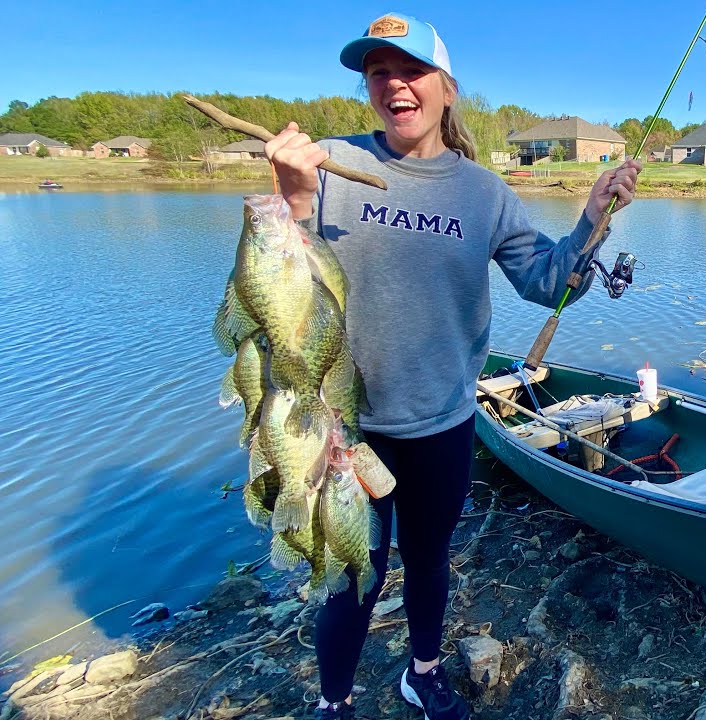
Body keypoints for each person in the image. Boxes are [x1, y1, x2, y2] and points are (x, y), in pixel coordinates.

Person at [264, 12, 641, 720]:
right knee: (355, 574)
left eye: (411, 71)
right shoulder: (332, 164)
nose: (395, 85)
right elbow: (276, 280)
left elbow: (547, 283)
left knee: (430, 558)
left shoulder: (483, 192)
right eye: (380, 72)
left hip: (443, 419)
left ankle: (423, 671)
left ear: (446, 88)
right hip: (347, 427)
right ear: (368, 87)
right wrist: (293, 200)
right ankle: (334, 702)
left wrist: (591, 219)